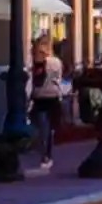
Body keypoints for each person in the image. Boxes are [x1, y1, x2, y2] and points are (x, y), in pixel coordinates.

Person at [29, 35, 63, 169]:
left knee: (42, 126)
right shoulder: (57, 62)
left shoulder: (41, 62)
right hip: (54, 96)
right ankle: (47, 153)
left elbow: (37, 81)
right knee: (49, 128)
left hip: (41, 96)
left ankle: (44, 154)